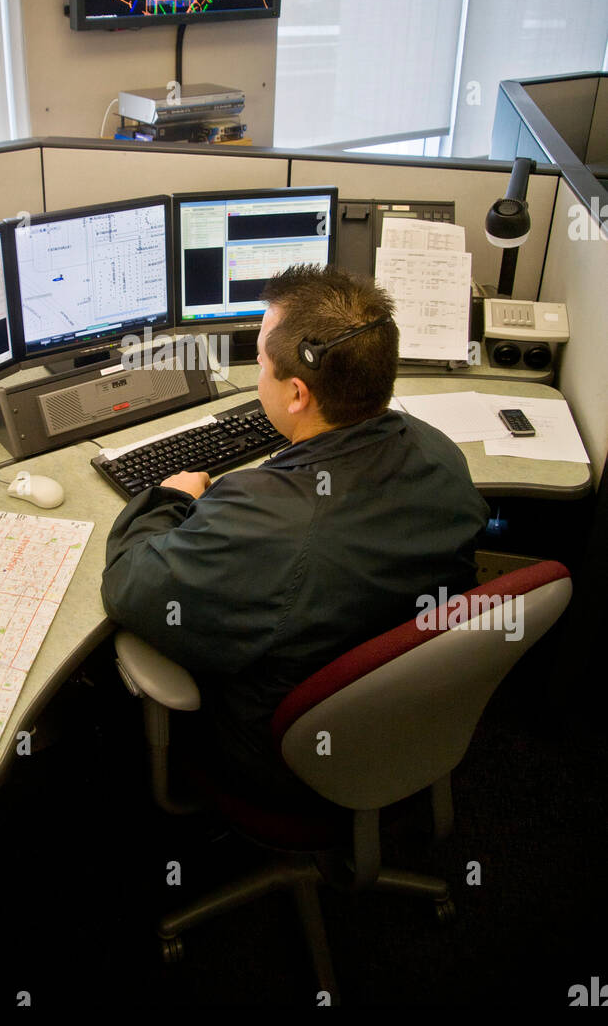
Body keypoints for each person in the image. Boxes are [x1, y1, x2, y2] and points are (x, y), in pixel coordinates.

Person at [101, 264, 490, 800]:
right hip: (412, 721)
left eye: (261, 364)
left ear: (298, 394)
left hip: (286, 758)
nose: (258, 374)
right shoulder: (438, 449)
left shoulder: (264, 521)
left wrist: (172, 497)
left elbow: (128, 584)